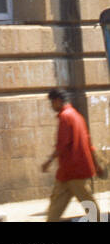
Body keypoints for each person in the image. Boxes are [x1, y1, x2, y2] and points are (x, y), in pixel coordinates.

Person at [41, 88, 107, 221]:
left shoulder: (65, 117)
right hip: (68, 172)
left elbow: (62, 145)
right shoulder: (77, 115)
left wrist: (48, 161)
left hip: (75, 170)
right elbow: (89, 143)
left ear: (58, 101)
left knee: (88, 204)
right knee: (56, 205)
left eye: (52, 102)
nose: (52, 106)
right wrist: (96, 165)